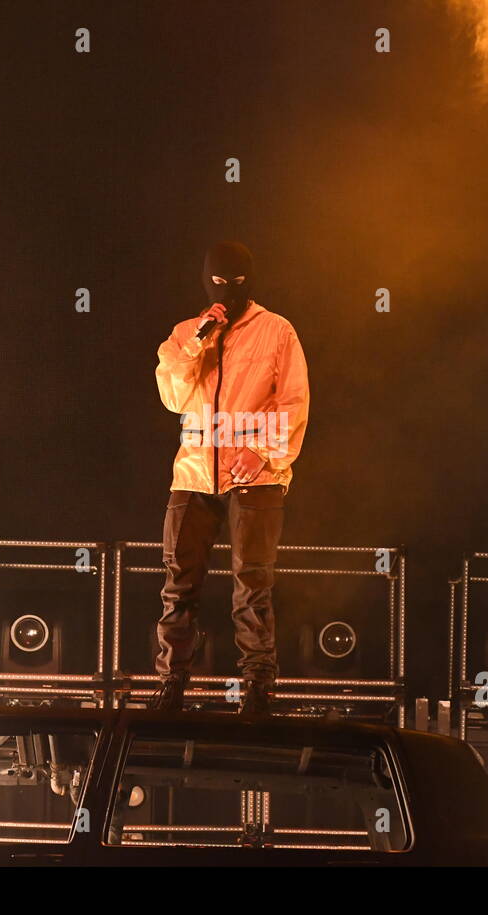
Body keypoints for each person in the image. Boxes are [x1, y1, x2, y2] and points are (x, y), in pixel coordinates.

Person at [150, 241, 309, 715]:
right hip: (195, 473)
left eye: (237, 283)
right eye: (219, 283)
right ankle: (171, 683)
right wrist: (199, 338)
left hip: (255, 476)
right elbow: (173, 397)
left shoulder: (277, 331)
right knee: (179, 582)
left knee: (251, 583)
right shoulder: (186, 333)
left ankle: (258, 688)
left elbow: (294, 401)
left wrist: (261, 453)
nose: (228, 291)